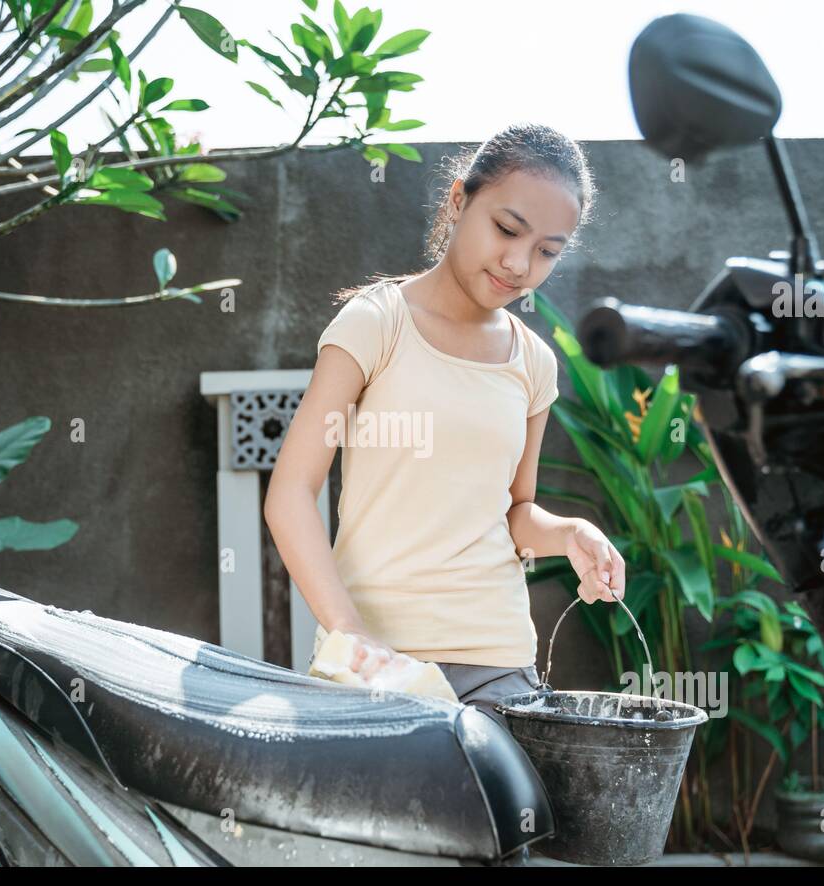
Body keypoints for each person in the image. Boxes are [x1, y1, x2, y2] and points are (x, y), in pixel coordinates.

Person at [264, 123, 627, 731]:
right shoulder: (377, 322)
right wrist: (350, 635)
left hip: (499, 667)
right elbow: (291, 494)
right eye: (507, 230)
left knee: (507, 826)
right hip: (377, 667)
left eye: (547, 249)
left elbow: (516, 512)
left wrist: (569, 534)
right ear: (459, 200)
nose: (519, 264)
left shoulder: (533, 362)